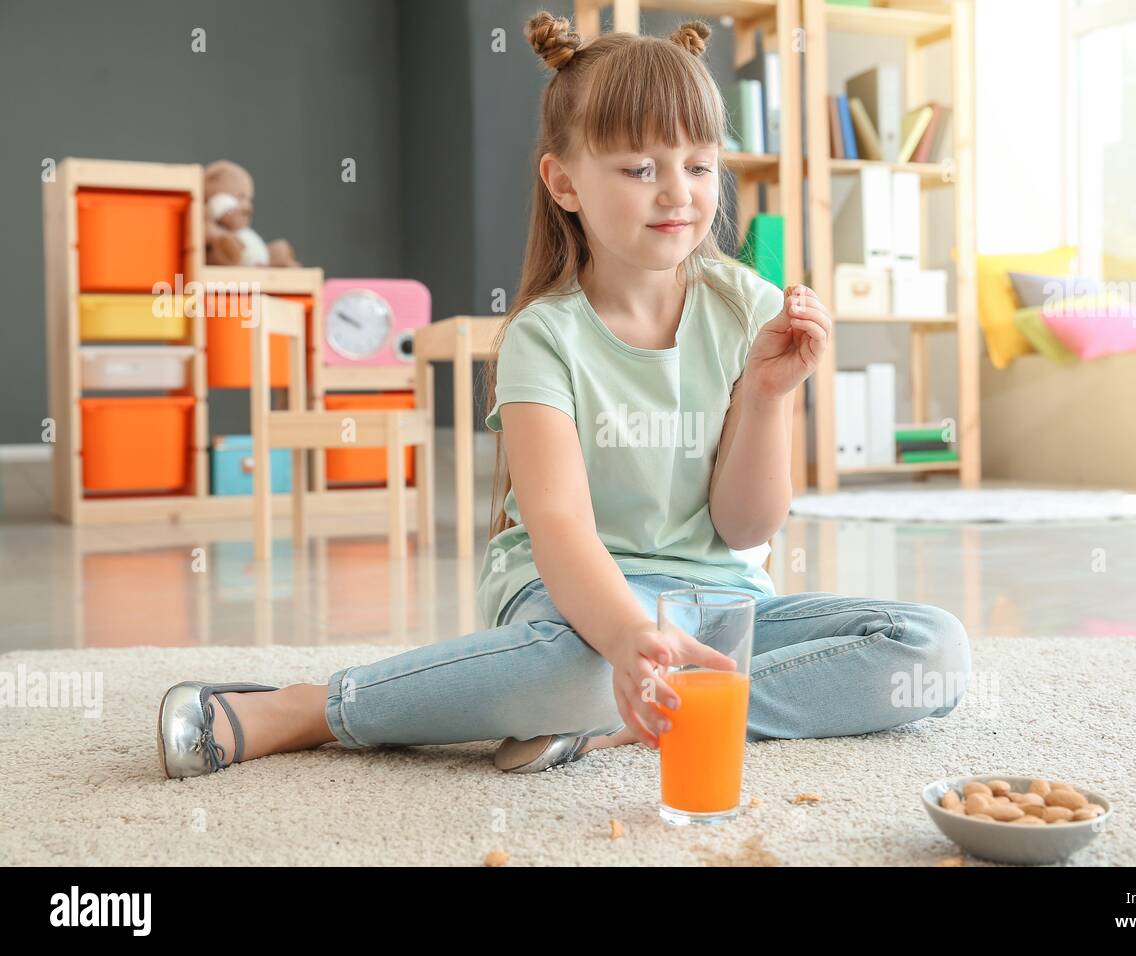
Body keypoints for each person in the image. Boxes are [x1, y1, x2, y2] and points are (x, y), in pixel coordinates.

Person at [156, 13, 971, 781]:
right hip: (571, 599)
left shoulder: (751, 309)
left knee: (931, 647)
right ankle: (315, 710)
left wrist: (766, 397)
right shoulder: (543, 338)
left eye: (697, 165)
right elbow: (561, 531)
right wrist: (628, 641)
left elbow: (745, 528)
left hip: (719, 602)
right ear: (564, 181)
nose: (678, 193)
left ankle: (626, 717)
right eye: (639, 168)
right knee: (573, 671)